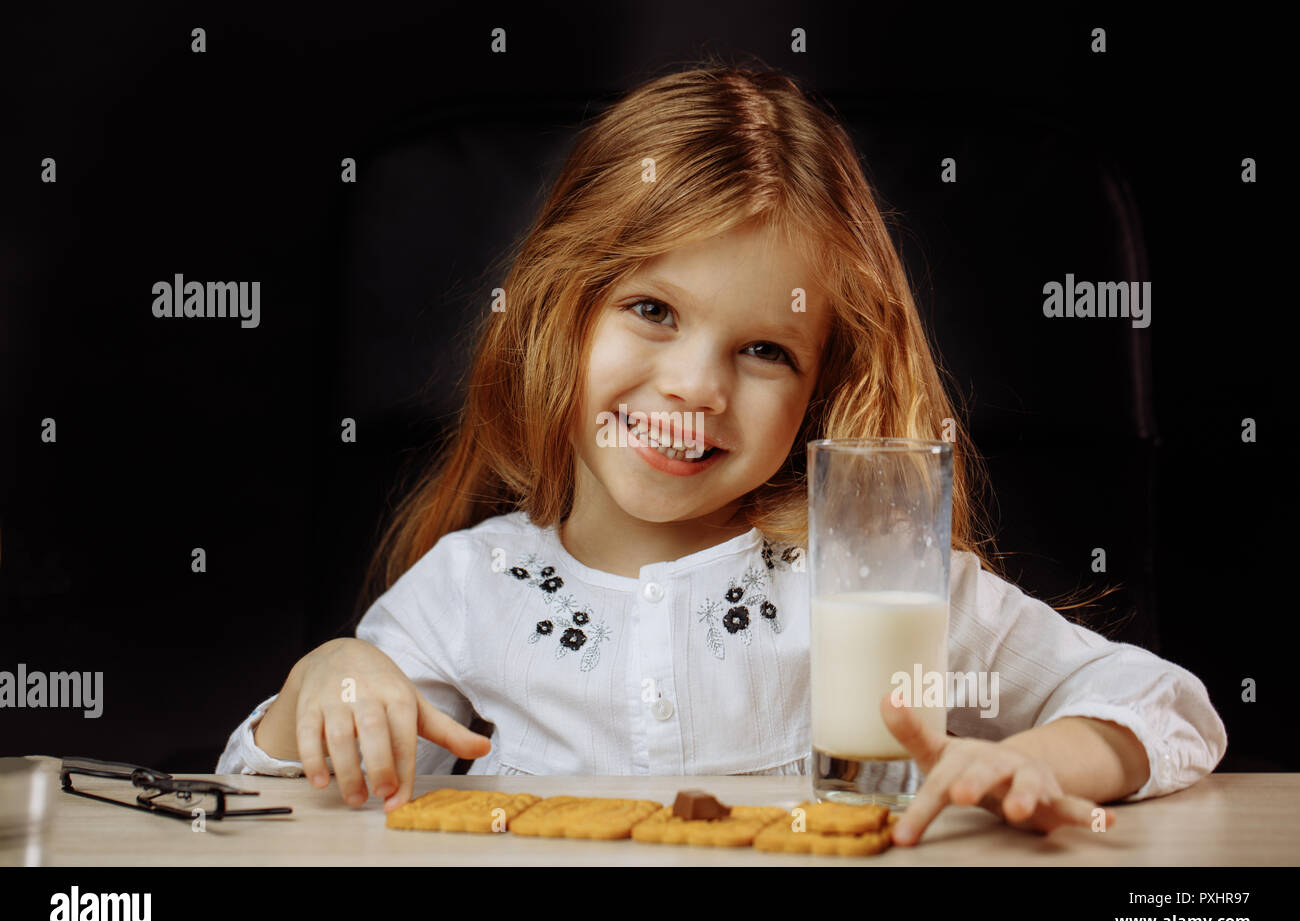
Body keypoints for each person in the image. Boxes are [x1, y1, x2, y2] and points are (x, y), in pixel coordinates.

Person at [217, 63, 1226, 846]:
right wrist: (326, 678)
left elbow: (1163, 703)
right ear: (558, 313)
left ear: (820, 384)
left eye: (762, 349)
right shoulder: (464, 594)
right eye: (651, 309)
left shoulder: (874, 591)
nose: (696, 387)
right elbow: (273, 794)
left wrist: (1043, 757)